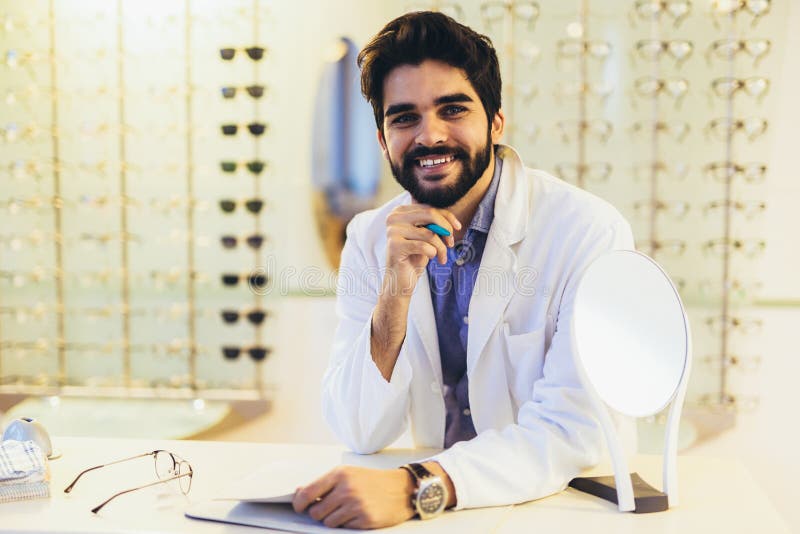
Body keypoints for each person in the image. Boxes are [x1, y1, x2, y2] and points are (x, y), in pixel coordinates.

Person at [292, 11, 634, 530]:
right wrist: (394, 294)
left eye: (452, 109)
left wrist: (416, 487)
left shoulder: (587, 231)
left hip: (559, 511)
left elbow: (572, 432)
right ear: (383, 140)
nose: (429, 136)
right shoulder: (368, 238)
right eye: (404, 117)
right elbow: (358, 429)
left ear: (496, 121)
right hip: (439, 518)